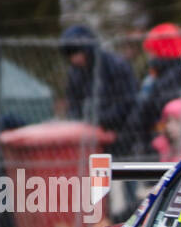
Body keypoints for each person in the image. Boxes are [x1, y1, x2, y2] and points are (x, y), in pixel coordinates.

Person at [59, 24, 139, 155]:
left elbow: (127, 102)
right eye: (71, 55)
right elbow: (73, 103)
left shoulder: (116, 66)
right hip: (88, 134)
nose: (75, 59)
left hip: (119, 134)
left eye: (77, 53)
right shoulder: (76, 73)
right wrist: (80, 121)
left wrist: (101, 120)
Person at [125, 23, 181, 156]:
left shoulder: (175, 74)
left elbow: (154, 105)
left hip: (161, 136)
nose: (150, 56)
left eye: (153, 51)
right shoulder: (159, 74)